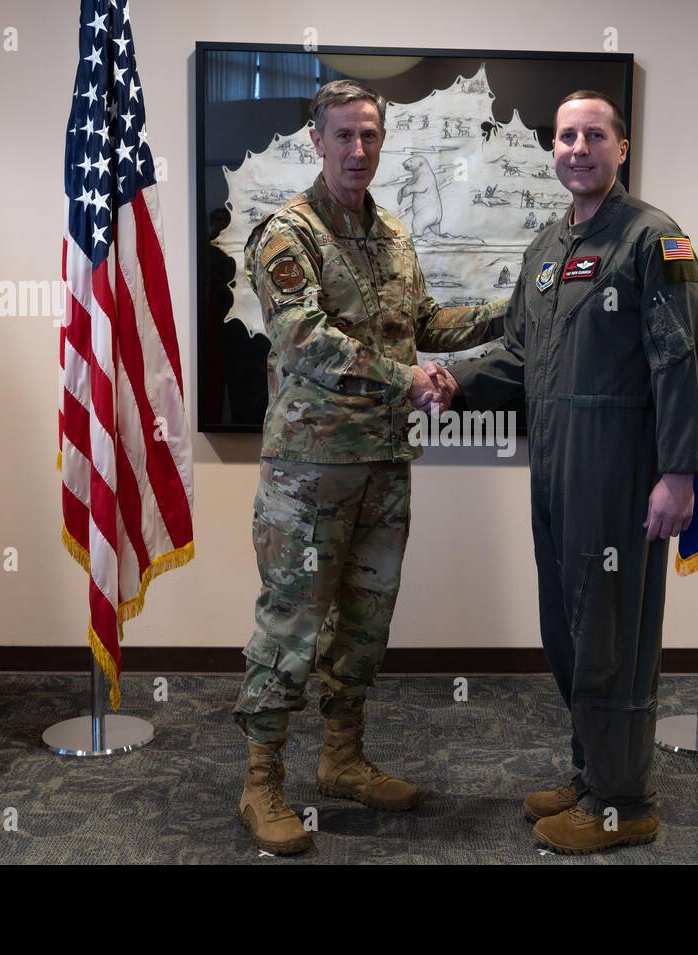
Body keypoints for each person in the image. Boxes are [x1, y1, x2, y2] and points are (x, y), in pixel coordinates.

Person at [230, 80, 506, 855]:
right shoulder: (287, 234)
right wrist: (407, 378)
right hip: (311, 471)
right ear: (315, 140)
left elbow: (421, 323)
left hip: (385, 463)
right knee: (291, 622)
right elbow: (304, 339)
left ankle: (342, 757)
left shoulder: (389, 231)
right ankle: (261, 782)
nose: (359, 150)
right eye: (344, 136)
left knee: (365, 621)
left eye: (371, 137)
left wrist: (518, 307)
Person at [443, 91, 698, 854]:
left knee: (612, 634)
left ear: (620, 148)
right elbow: (521, 353)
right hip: (557, 470)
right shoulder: (549, 246)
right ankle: (591, 770)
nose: (577, 147)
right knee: (567, 630)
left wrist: (679, 473)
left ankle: (624, 802)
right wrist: (453, 380)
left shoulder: (653, 241)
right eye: (566, 135)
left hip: (621, 474)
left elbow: (681, 360)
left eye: (594, 135)